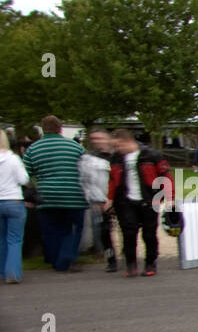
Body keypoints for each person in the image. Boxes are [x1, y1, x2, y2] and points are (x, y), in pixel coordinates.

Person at [22, 115, 86, 272]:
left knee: (51, 229)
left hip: (46, 196)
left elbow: (24, 175)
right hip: (74, 195)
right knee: (73, 228)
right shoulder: (75, 147)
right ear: (61, 128)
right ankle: (66, 258)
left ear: (42, 130)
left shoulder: (33, 149)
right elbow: (86, 168)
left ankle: (55, 259)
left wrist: (31, 192)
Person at [105, 129, 173, 278]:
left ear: (127, 142)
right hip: (125, 201)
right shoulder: (116, 158)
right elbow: (112, 181)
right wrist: (109, 199)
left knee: (149, 234)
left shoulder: (151, 155)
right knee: (128, 233)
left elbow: (165, 176)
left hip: (149, 199)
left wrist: (170, 198)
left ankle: (150, 263)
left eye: (118, 145)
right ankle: (131, 265)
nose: (117, 149)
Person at [79, 129, 113, 268]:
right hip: (100, 199)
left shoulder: (117, 156)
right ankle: (110, 257)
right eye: (94, 138)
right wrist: (93, 198)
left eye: (99, 138)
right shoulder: (90, 158)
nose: (96, 141)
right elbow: (86, 180)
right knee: (104, 231)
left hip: (118, 197)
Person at [0, 129, 30, 283]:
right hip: (13, 200)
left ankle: (2, 271)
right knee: (15, 239)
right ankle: (13, 271)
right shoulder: (14, 159)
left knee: (1, 239)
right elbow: (23, 179)